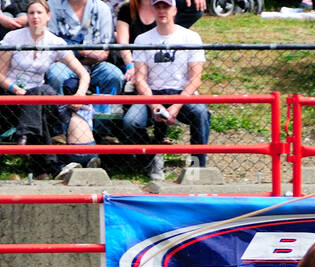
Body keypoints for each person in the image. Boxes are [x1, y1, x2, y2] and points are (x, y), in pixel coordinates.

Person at [0, 0, 95, 175]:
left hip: (35, 99)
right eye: (31, 13)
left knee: (40, 93)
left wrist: (79, 94)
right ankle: (49, 167)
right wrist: (15, 88)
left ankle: (24, 135)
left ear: (48, 16)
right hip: (9, 95)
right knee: (41, 107)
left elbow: (83, 74)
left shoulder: (54, 42)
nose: (35, 17)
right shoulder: (13, 38)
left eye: (39, 13)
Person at [123, 0, 207, 179]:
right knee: (131, 122)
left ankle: (198, 165)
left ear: (175, 10)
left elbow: (195, 79)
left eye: (166, 7)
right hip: (152, 93)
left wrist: (175, 107)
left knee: (201, 113)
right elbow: (140, 79)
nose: (162, 11)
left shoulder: (191, 38)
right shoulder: (142, 40)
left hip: (181, 92)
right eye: (158, 7)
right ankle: (151, 157)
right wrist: (155, 105)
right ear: (153, 10)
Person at [48, 0, 123, 108]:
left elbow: (104, 52)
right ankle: (60, 118)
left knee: (114, 75)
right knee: (55, 74)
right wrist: (83, 51)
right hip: (64, 64)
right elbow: (52, 45)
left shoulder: (102, 8)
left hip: (94, 64)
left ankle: (102, 122)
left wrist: (71, 49)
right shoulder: (52, 5)